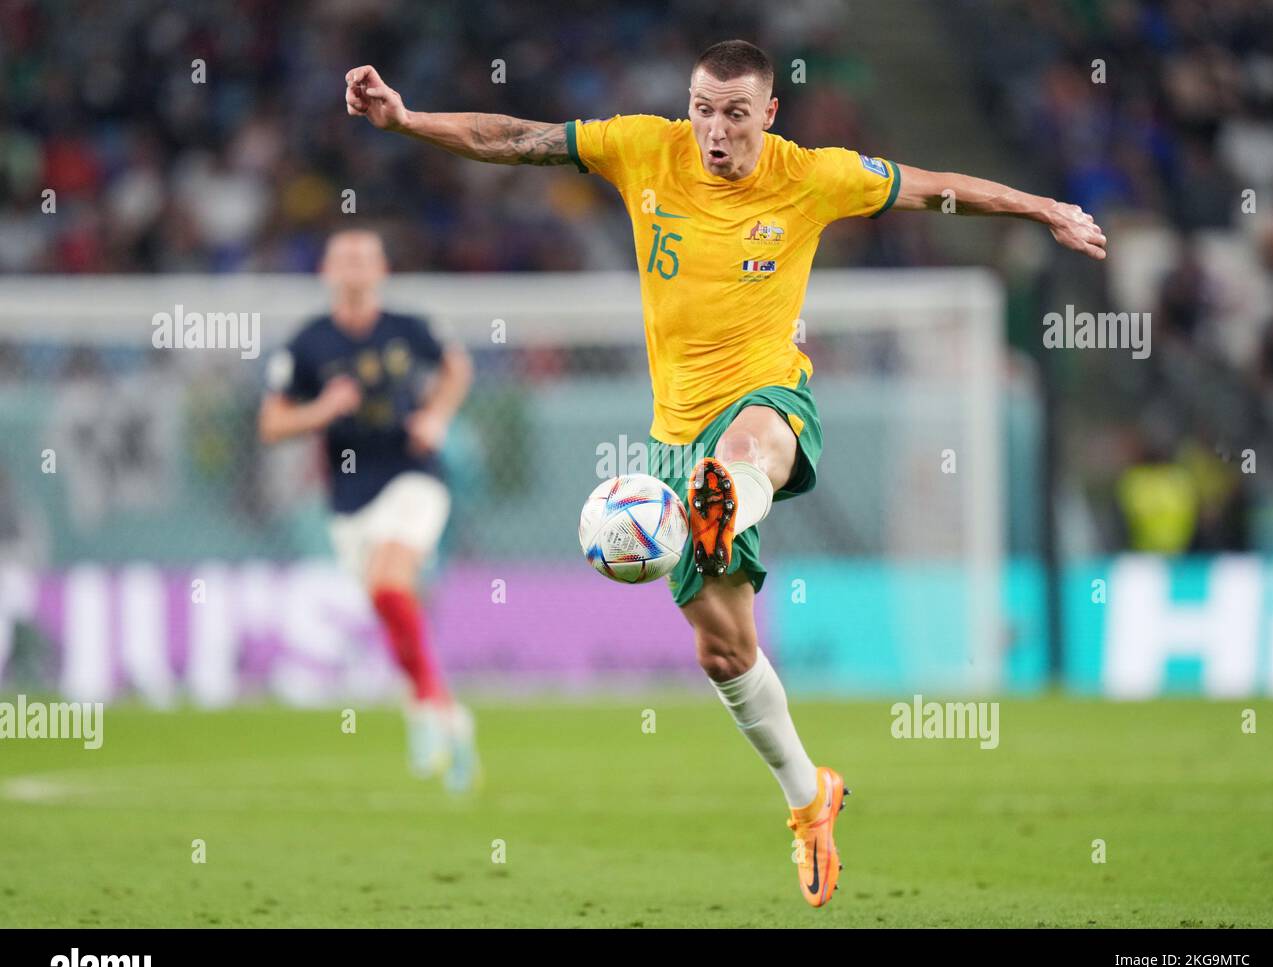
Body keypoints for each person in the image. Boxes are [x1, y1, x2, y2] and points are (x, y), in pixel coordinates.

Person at [343, 39, 1105, 904]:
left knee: (750, 449)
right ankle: (809, 797)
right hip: (673, 435)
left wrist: (1045, 208)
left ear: (769, 114)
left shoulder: (813, 175)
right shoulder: (644, 148)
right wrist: (406, 118)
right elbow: (517, 137)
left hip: (769, 394)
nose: (714, 129)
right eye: (703, 108)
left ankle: (724, 503)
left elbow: (937, 187)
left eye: (735, 113)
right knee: (723, 649)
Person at [258, 229, 479, 792]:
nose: (355, 268)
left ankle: (427, 703)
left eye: (365, 258)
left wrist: (436, 417)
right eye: (344, 259)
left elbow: (457, 367)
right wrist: (322, 411)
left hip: (413, 474)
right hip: (349, 497)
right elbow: (272, 424)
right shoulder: (307, 343)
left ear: (382, 269)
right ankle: (443, 710)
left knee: (388, 583)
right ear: (326, 271)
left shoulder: (410, 328)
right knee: (392, 602)